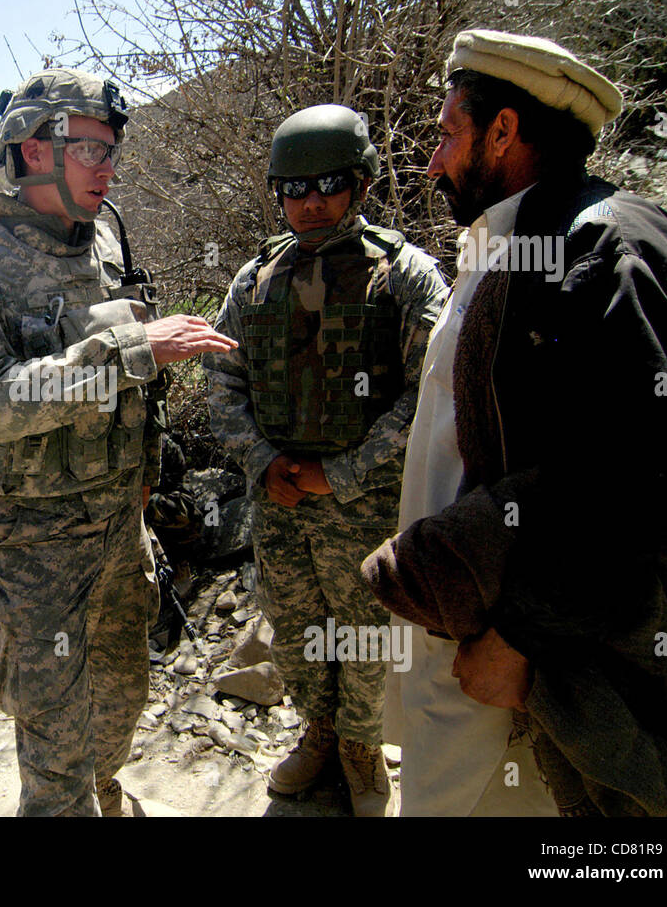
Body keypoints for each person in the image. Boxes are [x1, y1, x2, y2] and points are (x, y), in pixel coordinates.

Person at [361, 29, 667, 816]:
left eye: (448, 134)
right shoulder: (518, 245)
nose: (431, 162)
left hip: (517, 688)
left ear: (505, 132)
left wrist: (520, 638)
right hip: (478, 675)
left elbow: (657, 481)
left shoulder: (600, 250)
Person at [0, 68, 235, 816]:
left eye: (111, 151)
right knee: (56, 755)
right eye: (91, 150)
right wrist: (129, 348)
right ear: (33, 151)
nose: (110, 168)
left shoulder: (103, 244)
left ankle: (105, 793)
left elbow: (137, 392)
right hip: (37, 545)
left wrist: (147, 477)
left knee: (122, 701)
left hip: (119, 528)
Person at [203, 105, 449, 816]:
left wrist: (336, 473)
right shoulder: (253, 281)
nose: (311, 203)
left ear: (362, 184)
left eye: (329, 184)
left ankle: (362, 748)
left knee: (367, 637)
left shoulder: (404, 275)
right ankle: (319, 731)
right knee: (298, 629)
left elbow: (427, 396)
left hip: (363, 507)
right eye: (295, 188)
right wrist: (264, 459)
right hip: (278, 505)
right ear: (277, 193)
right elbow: (223, 379)